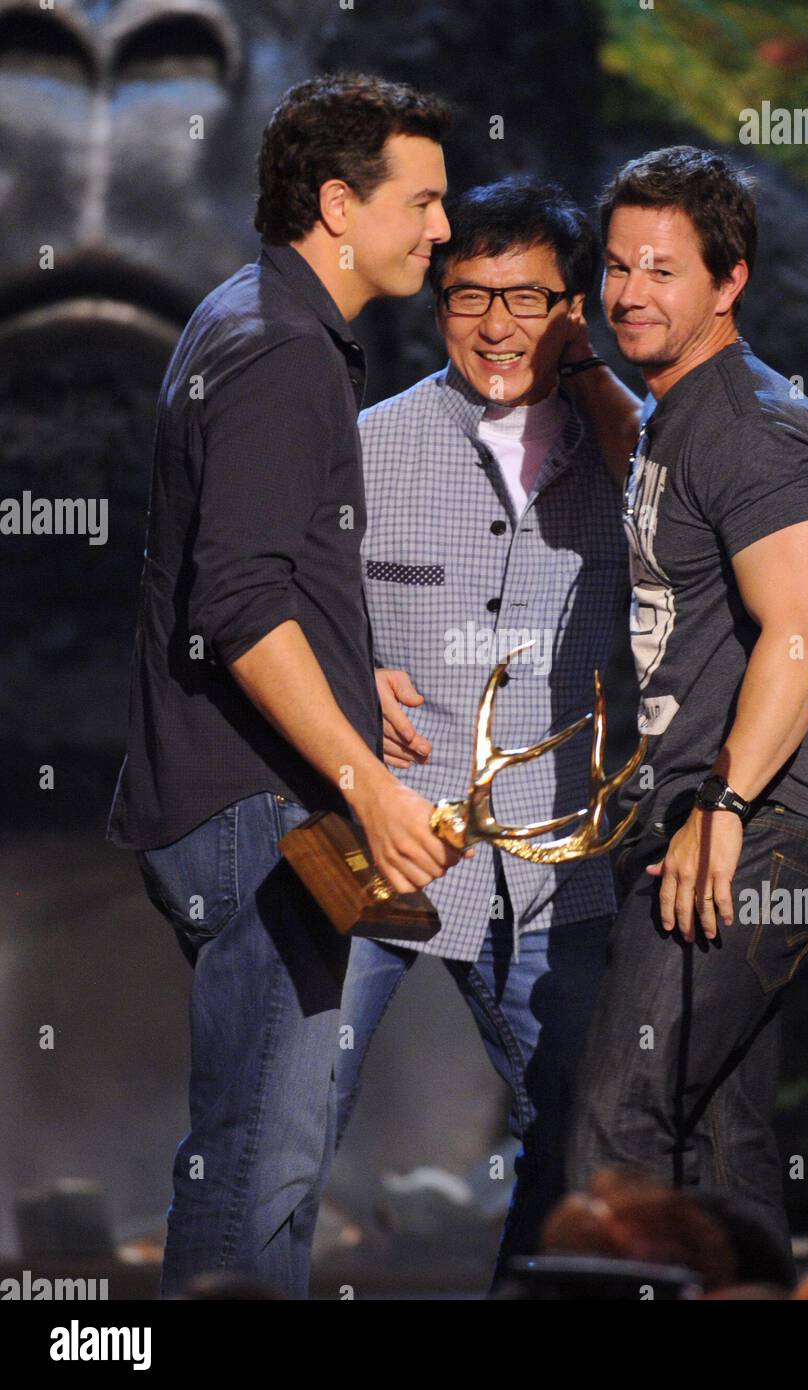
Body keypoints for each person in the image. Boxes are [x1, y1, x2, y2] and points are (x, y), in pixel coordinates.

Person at [105, 72, 463, 1299]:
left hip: (235, 802)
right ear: (336, 204)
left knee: (261, 1158)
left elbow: (259, 580)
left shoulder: (248, 319)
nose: (442, 231)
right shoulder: (281, 352)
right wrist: (369, 786)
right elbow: (242, 605)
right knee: (261, 1163)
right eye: (420, 202)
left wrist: (360, 678)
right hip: (258, 816)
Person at [566, 146, 808, 1271]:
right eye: (616, 268)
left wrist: (726, 804)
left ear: (729, 279)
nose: (631, 293)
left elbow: (806, 633)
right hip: (711, 822)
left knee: (620, 1134)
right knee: (714, 1142)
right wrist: (574, 367)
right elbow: (666, 492)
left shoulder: (755, 426)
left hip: (754, 829)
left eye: (662, 270)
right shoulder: (678, 410)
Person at [335, 176, 640, 1280]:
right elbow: (268, 607)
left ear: (574, 311)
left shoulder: (634, 463)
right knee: (289, 1108)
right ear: (437, 303)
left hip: (565, 855)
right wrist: (354, 671)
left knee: (579, 1135)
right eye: (470, 296)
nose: (496, 325)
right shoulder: (365, 446)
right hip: (383, 834)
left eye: (526, 297)